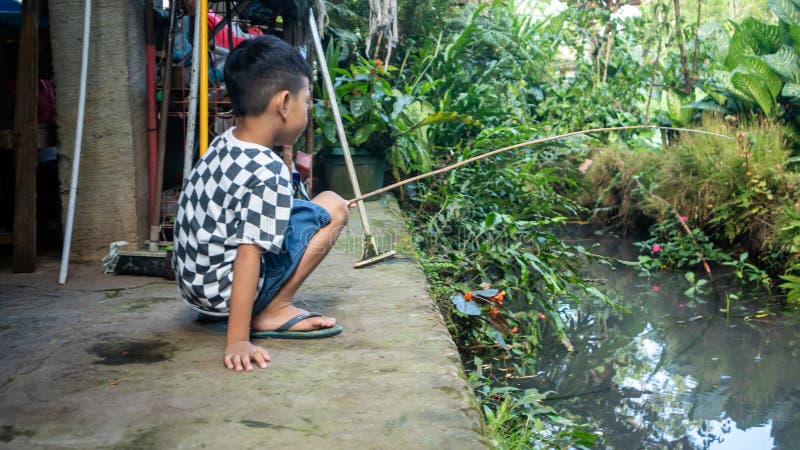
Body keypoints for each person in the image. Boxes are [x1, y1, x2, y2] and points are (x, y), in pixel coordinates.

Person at [173, 35, 350, 372]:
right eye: (307, 102)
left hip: (198, 290)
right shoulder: (268, 171)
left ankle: (258, 308)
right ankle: (273, 310)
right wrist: (238, 339)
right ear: (284, 104)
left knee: (320, 205)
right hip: (223, 296)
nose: (308, 110)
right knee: (334, 207)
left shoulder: (226, 144)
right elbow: (248, 252)